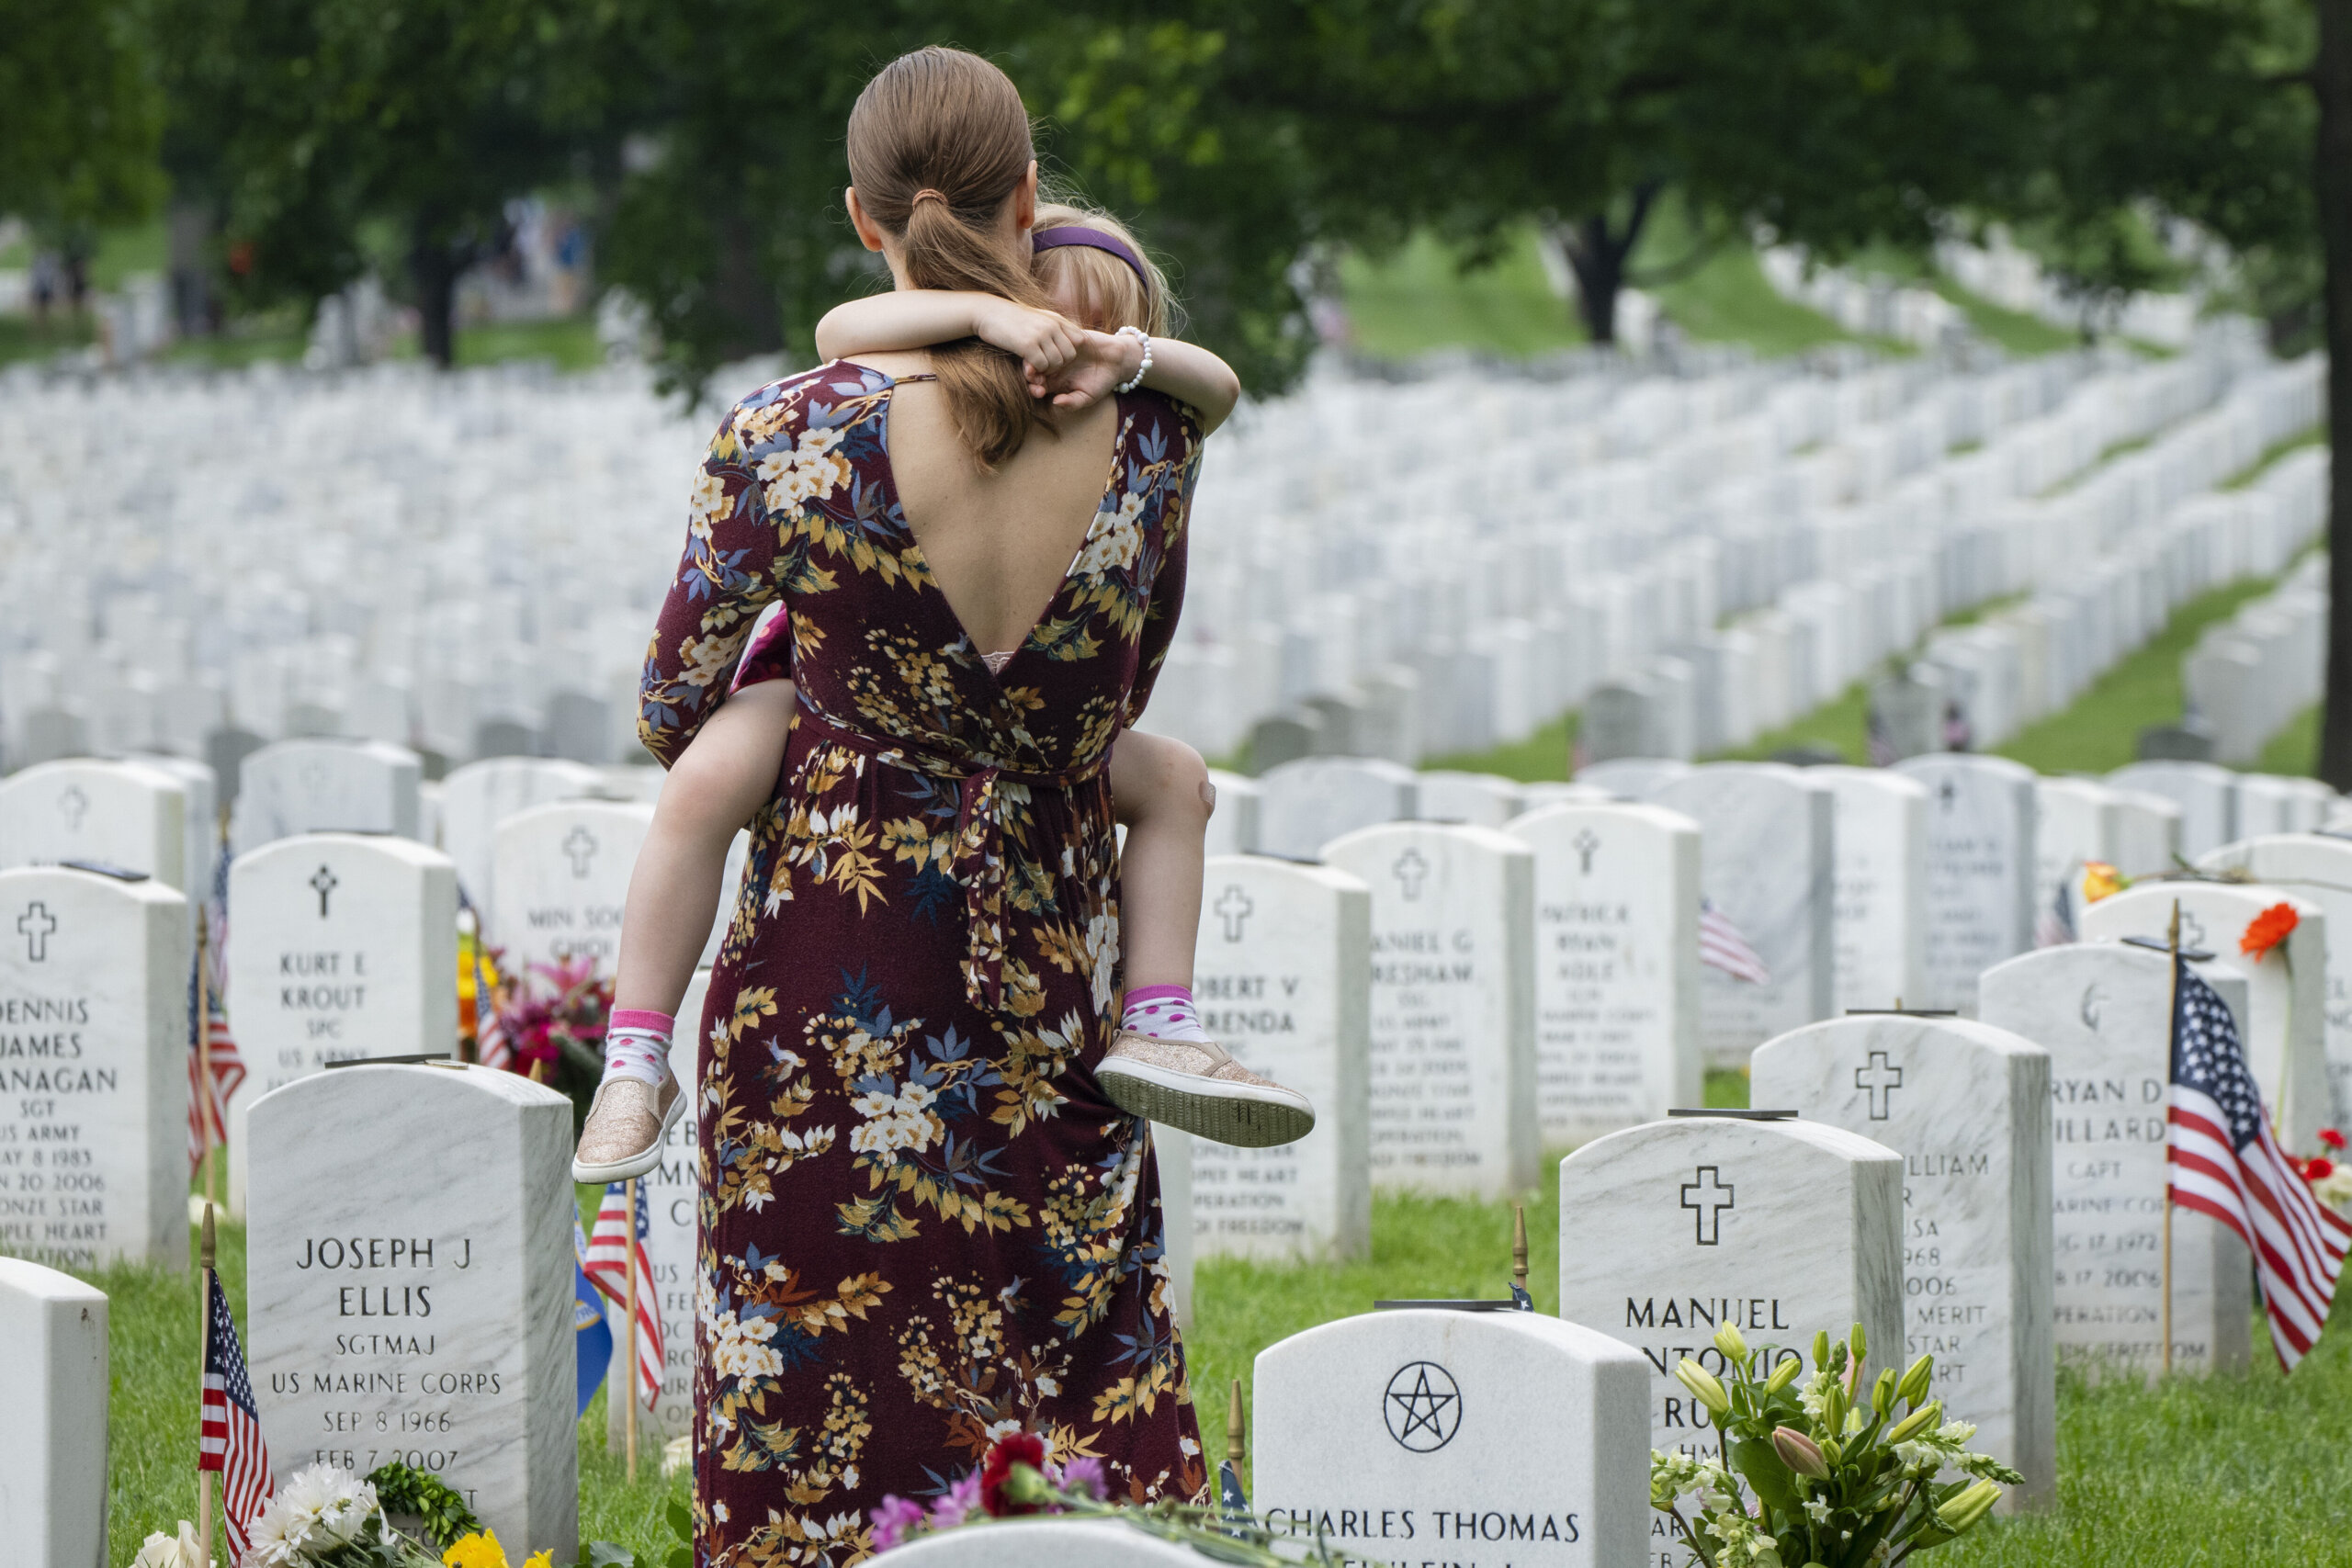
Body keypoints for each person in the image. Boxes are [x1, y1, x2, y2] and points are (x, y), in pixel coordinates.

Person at [627, 45, 1228, 1558]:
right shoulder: (1153, 441)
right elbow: (1124, 697)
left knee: (814, 1418)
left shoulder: (783, 435)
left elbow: (667, 708)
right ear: (1033, 197)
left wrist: (811, 690)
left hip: (827, 993)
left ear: (861, 217)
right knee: (1070, 1388)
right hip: (1045, 981)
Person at [572, 200, 1312, 1186]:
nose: (1063, 357)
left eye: (1104, 337)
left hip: (981, 742)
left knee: (1178, 780)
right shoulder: (1069, 408)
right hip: (821, 685)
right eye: (1051, 321)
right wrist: (1001, 325)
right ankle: (633, 1054)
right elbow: (844, 331)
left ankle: (1161, 1018)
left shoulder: (1130, 415)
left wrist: (1121, 360)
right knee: (706, 782)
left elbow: (1211, 386)